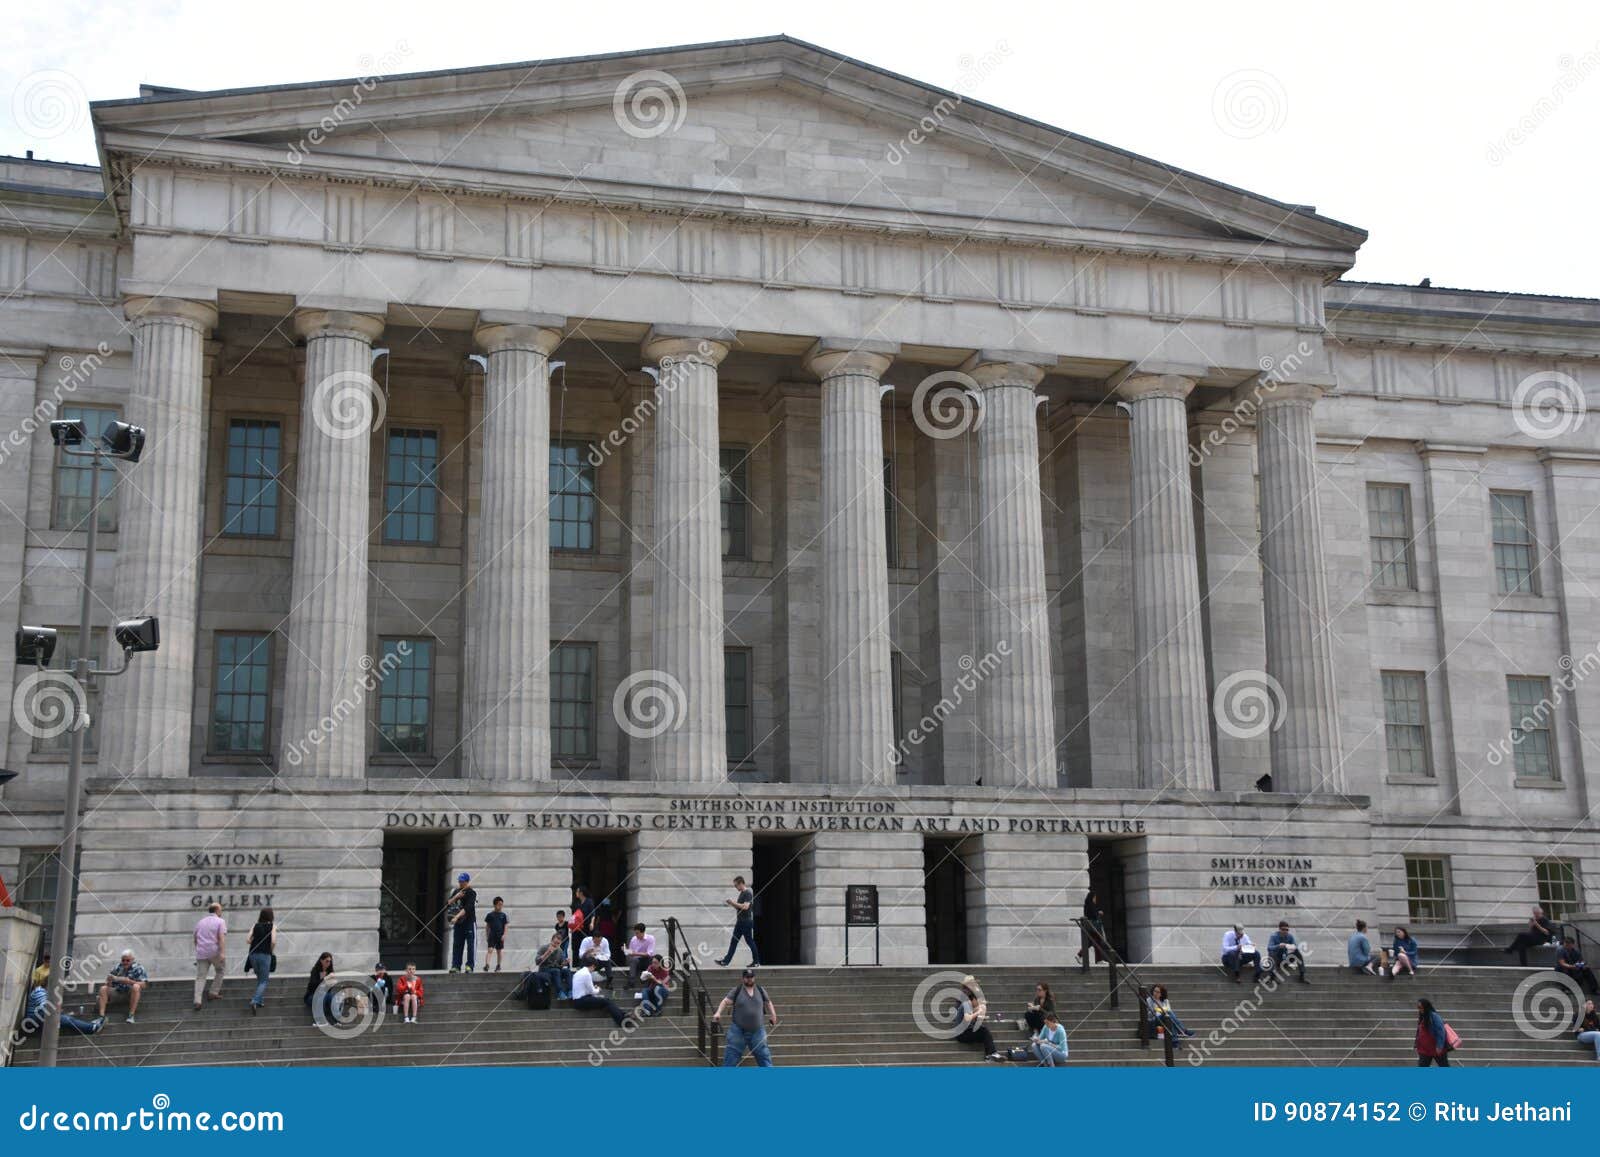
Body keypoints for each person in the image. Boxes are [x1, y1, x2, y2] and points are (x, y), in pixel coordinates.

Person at [714, 968, 778, 1066]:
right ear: (743, 978)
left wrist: (773, 1015)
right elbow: (725, 1001)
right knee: (731, 1056)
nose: (749, 979)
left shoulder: (760, 990)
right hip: (738, 1030)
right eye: (747, 977)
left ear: (754, 978)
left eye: (751, 977)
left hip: (757, 1031)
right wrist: (718, 1012)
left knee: (764, 1056)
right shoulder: (737, 990)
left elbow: (768, 1002)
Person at [952, 975, 1000, 1060]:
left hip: (966, 1030)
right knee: (984, 1031)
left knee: (983, 1030)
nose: (978, 1001)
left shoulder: (969, 1004)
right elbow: (967, 1018)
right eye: (976, 1000)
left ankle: (991, 1054)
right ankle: (991, 1054)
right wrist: (978, 1011)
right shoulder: (966, 1002)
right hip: (962, 1033)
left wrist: (979, 1014)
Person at [24, 984, 104, 1036]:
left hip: (39, 1020)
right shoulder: (39, 991)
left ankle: (90, 1026)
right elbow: (46, 1008)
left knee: (65, 1018)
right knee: (66, 1019)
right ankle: (92, 1027)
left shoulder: (45, 992)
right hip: (33, 1022)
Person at [717, 875, 759, 967]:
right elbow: (739, 907)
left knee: (749, 941)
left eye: (736, 885)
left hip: (746, 922)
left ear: (741, 884)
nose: (735, 887)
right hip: (740, 922)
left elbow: (745, 907)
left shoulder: (748, 893)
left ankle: (756, 962)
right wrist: (730, 904)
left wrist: (732, 902)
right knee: (734, 941)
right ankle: (726, 962)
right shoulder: (741, 893)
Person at [192, 901, 227, 1011]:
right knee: (220, 970)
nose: (221, 911)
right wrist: (222, 952)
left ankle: (197, 1000)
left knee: (200, 977)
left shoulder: (200, 922)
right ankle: (213, 992)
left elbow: (195, 938)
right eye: (220, 909)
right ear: (216, 910)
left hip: (201, 952)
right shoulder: (220, 921)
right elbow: (221, 938)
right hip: (214, 952)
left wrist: (198, 949)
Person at [97, 949, 148, 1023]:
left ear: (132, 960)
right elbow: (109, 985)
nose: (125, 962)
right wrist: (109, 980)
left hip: (130, 993)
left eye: (127, 960)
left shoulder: (139, 968)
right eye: (123, 960)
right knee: (103, 988)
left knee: (136, 987)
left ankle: (131, 1015)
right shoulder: (118, 967)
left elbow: (144, 985)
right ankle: (101, 1016)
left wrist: (129, 981)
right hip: (118, 991)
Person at [245, 907, 276, 1014]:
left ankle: (260, 1001)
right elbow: (273, 941)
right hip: (265, 955)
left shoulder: (255, 925)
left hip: (253, 955)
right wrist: (270, 951)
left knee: (260, 978)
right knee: (264, 980)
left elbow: (248, 940)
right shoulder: (272, 926)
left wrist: (256, 940)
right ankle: (254, 1000)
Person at [447, 872, 478, 973]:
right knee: (457, 944)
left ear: (467, 882)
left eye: (462, 881)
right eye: (459, 881)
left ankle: (469, 966)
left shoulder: (471, 893)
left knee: (470, 945)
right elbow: (448, 904)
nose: (460, 883)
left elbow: (468, 908)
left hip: (469, 922)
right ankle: (456, 966)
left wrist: (456, 917)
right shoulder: (456, 891)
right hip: (459, 924)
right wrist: (456, 897)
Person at [1415, 998, 1452, 1066]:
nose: (1419, 1009)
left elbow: (1441, 1031)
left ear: (1426, 1006)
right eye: (1418, 1007)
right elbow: (1419, 1032)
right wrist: (1417, 1044)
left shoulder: (1434, 1016)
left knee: (1444, 1066)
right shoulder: (1422, 1017)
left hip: (1436, 1048)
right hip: (1425, 1050)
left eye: (1420, 1007)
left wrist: (1439, 1046)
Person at [303, 952, 335, 1023]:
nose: (328, 963)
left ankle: (335, 1020)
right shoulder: (315, 971)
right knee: (320, 996)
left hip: (325, 995)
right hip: (312, 996)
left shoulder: (329, 971)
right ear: (321, 961)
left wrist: (331, 984)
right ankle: (319, 1020)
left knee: (332, 997)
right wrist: (326, 979)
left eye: (330, 961)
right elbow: (313, 985)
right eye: (327, 961)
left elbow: (329, 989)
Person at [1075, 889, 1105, 964]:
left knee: (1092, 942)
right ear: (1092, 897)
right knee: (1096, 942)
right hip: (1093, 927)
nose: (1095, 899)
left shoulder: (1087, 905)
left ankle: (1080, 955)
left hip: (1090, 927)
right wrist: (1099, 913)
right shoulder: (1091, 905)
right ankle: (1098, 960)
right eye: (1095, 897)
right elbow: (1093, 915)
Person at [484, 897, 509, 973]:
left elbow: (506, 926)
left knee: (499, 951)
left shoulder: (503, 915)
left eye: (501, 905)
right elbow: (487, 926)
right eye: (499, 904)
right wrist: (487, 935)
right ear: (495, 905)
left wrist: (504, 934)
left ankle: (498, 965)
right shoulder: (490, 915)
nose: (500, 906)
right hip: (492, 935)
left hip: (500, 935)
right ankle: (487, 964)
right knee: (490, 950)